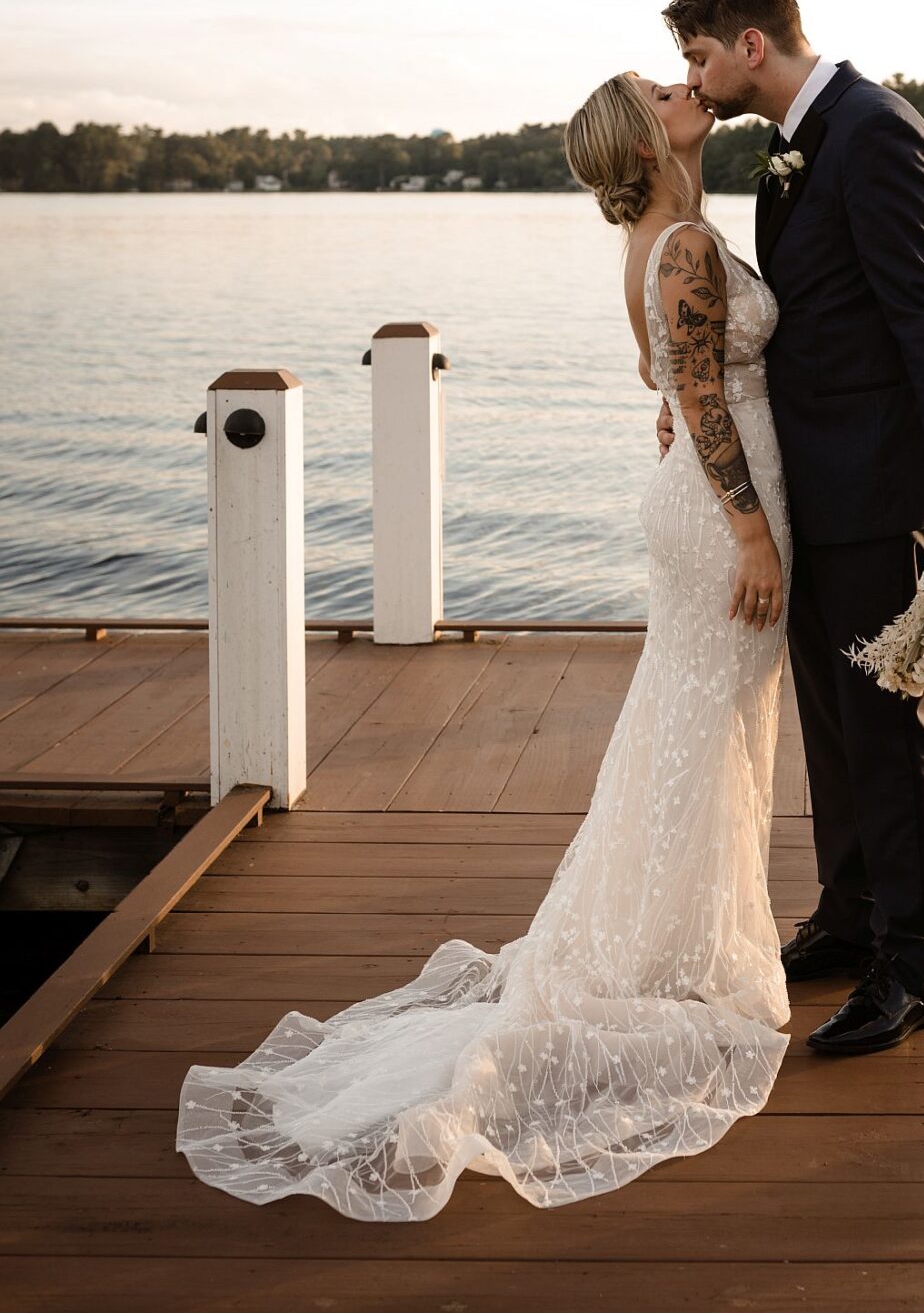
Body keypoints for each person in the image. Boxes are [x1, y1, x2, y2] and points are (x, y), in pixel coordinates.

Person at [175, 71, 792, 1218]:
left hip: (704, 503)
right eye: (661, 88)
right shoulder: (683, 247)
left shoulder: (658, 242)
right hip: (725, 518)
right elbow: (702, 399)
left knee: (696, 727)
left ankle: (671, 939)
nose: (684, 85)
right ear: (643, 139)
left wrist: (692, 417)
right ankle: (670, 953)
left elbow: (664, 380)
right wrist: (753, 533)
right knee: (704, 728)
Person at [663, 0, 924, 1056]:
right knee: (830, 718)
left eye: (700, 56)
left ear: (750, 44)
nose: (695, 79)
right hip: (810, 480)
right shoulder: (794, 143)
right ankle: (850, 912)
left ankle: (910, 963)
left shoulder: (873, 132)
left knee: (887, 725)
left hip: (882, 484)